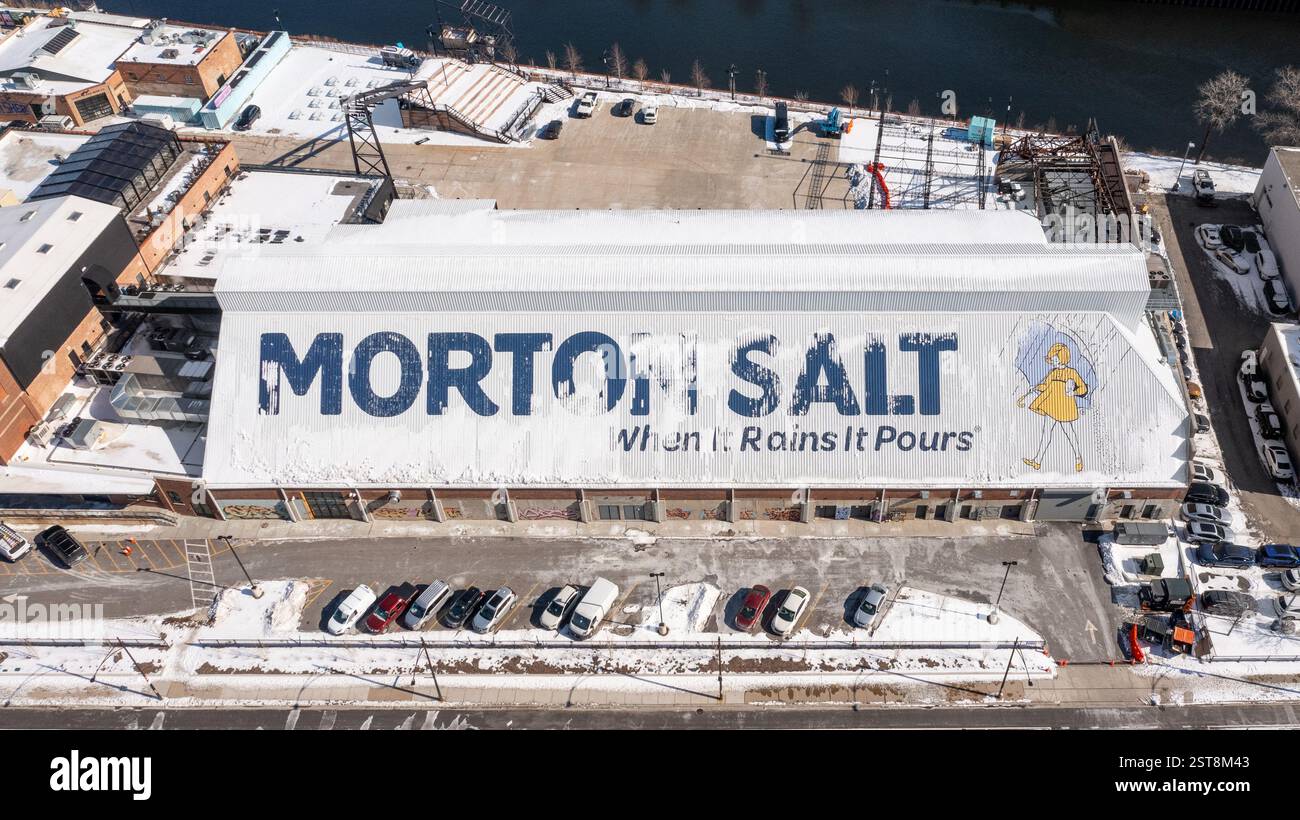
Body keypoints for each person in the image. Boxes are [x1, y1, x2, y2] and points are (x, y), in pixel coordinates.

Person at [1017, 341, 1089, 472]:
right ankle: (1037, 461)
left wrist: (1073, 392)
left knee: (1070, 433)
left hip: (1064, 408)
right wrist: (1035, 388)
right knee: (1046, 433)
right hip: (1052, 406)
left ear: (1062, 358)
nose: (1053, 362)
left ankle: (1078, 458)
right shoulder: (1052, 373)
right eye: (1052, 359)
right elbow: (1046, 386)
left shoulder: (1071, 373)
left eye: (1055, 359)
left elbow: (1083, 388)